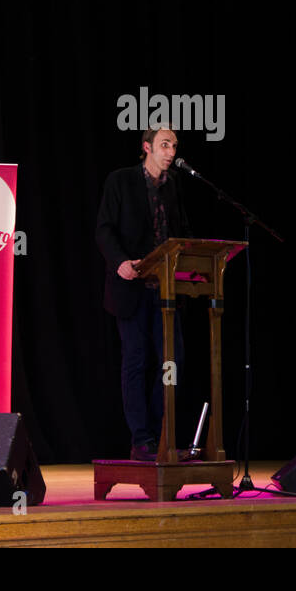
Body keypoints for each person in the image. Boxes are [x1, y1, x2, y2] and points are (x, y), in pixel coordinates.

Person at [96, 127, 193, 461]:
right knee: (136, 362)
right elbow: (104, 228)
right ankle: (141, 441)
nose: (171, 152)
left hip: (166, 290)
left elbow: (180, 231)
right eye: (165, 145)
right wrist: (120, 262)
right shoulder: (121, 180)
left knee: (172, 363)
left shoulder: (173, 186)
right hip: (132, 287)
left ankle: (161, 436)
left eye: (174, 146)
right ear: (147, 147)